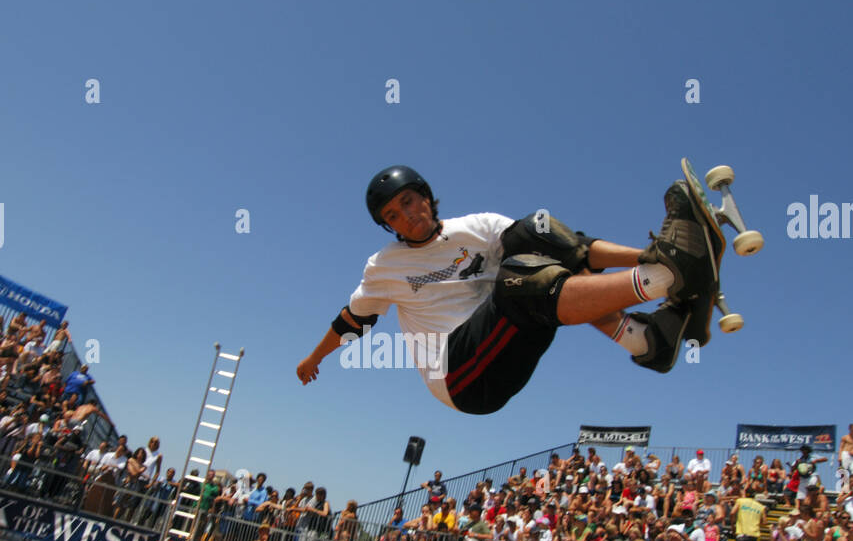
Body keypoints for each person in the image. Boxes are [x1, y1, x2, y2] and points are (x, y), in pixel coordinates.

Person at [296, 165, 724, 414]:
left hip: (500, 343)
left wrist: (648, 255)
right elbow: (354, 318)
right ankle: (668, 278)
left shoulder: (477, 227)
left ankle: (651, 326)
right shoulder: (385, 266)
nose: (405, 217)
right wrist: (314, 358)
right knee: (522, 279)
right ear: (389, 227)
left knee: (538, 235)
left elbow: (570, 248)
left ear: (425, 196)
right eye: (393, 215)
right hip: (458, 377)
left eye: (408, 202)